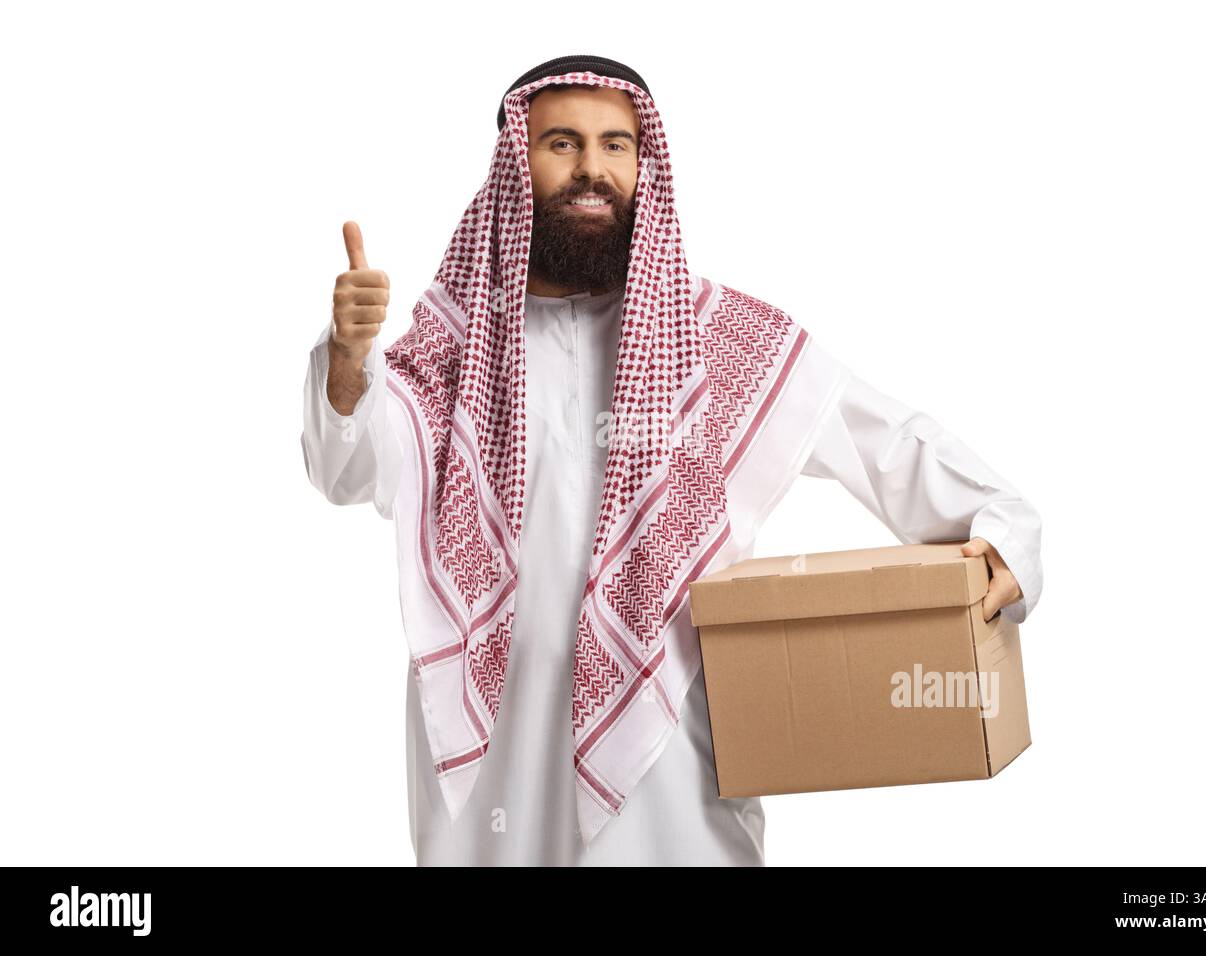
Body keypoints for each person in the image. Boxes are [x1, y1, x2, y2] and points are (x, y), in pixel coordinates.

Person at [301, 55, 1044, 866]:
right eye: (562, 143)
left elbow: (885, 440)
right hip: (497, 783)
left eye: (616, 145)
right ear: (515, 161)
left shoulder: (717, 342)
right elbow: (348, 473)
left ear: (643, 165)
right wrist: (347, 359)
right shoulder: (451, 352)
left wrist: (1003, 530)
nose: (593, 168)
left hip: (671, 767)